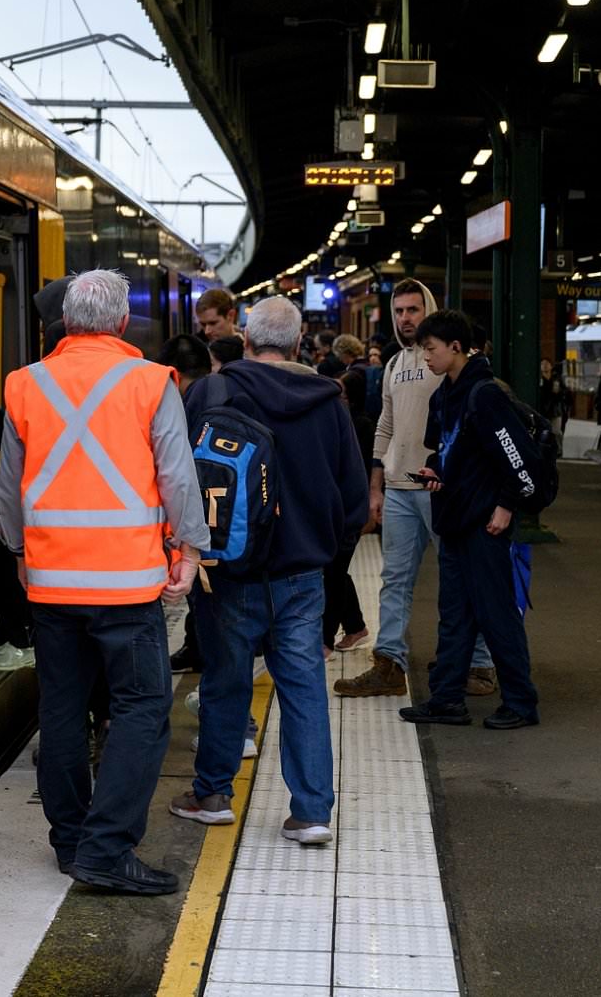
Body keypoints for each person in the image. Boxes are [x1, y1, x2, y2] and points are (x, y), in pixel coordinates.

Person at [0, 269, 210, 895]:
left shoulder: (25, 384)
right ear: (121, 323)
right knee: (142, 709)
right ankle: (107, 848)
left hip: (52, 586)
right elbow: (176, 475)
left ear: (66, 321)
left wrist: (18, 548)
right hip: (127, 586)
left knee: (61, 710)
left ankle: (70, 842)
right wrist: (189, 554)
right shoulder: (149, 381)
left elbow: (9, 486)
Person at [170, 296, 367, 845]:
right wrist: (327, 552)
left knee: (225, 678)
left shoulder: (212, 390)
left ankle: (212, 795)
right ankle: (311, 812)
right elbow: (353, 498)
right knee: (303, 685)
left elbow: (181, 474)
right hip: (303, 574)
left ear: (247, 339)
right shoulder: (329, 401)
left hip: (230, 569)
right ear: (300, 344)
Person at [336, 279, 496, 699]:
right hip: (400, 487)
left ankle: (477, 663)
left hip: (447, 489)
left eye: (413, 309)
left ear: (429, 308)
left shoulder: (455, 359)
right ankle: (389, 664)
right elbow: (386, 427)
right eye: (400, 311)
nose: (406, 318)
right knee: (394, 578)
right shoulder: (392, 366)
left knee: (460, 577)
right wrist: (377, 486)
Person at [398, 310, 542, 730]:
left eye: (431, 349)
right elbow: (447, 451)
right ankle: (446, 699)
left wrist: (507, 504)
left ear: (456, 347)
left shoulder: (485, 394)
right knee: (454, 613)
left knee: (497, 615)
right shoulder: (445, 394)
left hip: (485, 523)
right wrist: (434, 471)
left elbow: (515, 458)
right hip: (456, 518)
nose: (426, 357)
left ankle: (520, 702)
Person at [159, 334, 212, 675]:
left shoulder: (182, 404)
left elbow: (178, 478)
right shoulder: (221, 392)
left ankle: (200, 651)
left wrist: (187, 549)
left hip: (200, 526)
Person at [324, 370, 375, 652]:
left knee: (333, 572)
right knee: (336, 571)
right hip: (344, 509)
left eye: (340, 392)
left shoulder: (359, 425)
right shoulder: (344, 422)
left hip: (350, 510)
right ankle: (355, 626)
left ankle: (326, 640)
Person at [537, 358, 569, 438]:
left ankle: (558, 449)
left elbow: (565, 391)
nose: (545, 366)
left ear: (551, 366)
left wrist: (559, 391)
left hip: (555, 410)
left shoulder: (556, 378)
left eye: (547, 364)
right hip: (542, 410)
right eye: (542, 364)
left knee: (557, 433)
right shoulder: (539, 378)